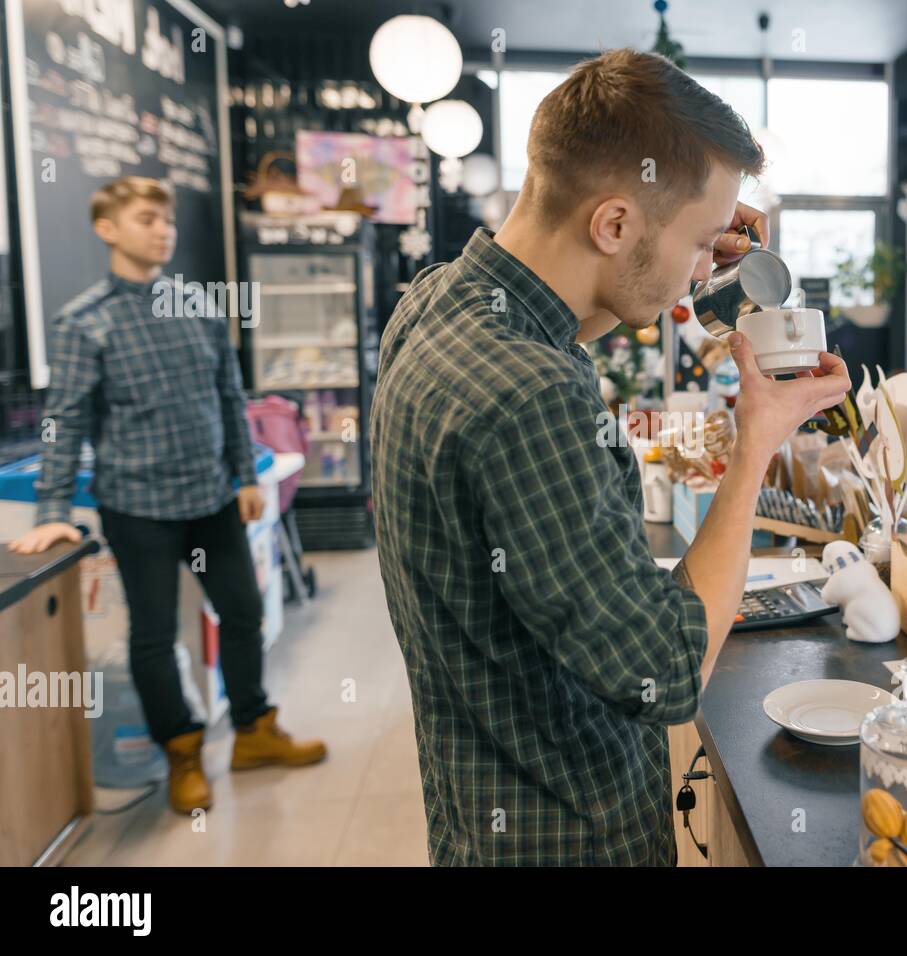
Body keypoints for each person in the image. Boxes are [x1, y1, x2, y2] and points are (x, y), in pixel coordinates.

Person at [371, 49, 851, 866]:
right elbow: (663, 673)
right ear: (615, 224)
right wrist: (754, 448)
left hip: (476, 809)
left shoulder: (435, 304)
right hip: (565, 837)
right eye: (703, 242)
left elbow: (578, 305)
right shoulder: (527, 393)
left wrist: (680, 253)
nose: (707, 268)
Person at [8, 176, 326, 815]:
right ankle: (182, 752)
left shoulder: (200, 306)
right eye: (148, 219)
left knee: (242, 614)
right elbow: (64, 422)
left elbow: (229, 400)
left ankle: (252, 732)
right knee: (154, 638)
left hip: (213, 497)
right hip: (137, 508)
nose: (164, 230)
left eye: (167, 221)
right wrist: (51, 514)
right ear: (108, 229)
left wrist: (244, 477)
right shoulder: (82, 323)